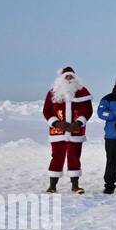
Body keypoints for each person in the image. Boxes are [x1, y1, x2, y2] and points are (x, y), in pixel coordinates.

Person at [42, 66, 92, 194]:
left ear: (75, 78)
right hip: (58, 132)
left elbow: (88, 110)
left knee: (74, 157)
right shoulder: (53, 92)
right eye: (66, 77)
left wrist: (79, 123)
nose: (69, 79)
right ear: (61, 79)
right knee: (56, 157)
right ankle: (52, 186)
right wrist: (56, 123)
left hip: (76, 131)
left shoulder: (82, 91)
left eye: (71, 77)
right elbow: (47, 111)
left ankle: (75, 185)